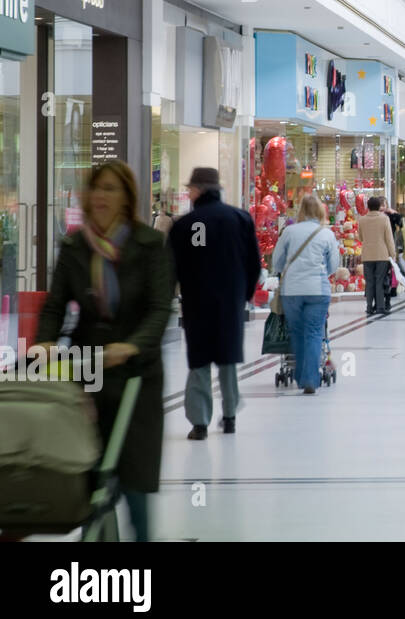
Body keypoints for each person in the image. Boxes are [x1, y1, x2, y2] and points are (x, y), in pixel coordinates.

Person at [36, 160, 172, 541]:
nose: (101, 196)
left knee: (134, 479)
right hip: (88, 375)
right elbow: (54, 304)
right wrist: (45, 343)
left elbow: (161, 307)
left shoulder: (149, 245)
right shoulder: (75, 247)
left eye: (111, 189)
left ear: (127, 197)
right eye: (96, 188)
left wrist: (131, 346)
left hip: (136, 378)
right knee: (89, 476)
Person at [168, 167, 260, 440]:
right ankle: (230, 416)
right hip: (230, 302)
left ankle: (200, 423)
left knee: (199, 361)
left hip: (197, 302)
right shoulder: (240, 219)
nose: (188, 193)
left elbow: (174, 267)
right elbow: (253, 264)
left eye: (190, 189)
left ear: (198, 191)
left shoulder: (187, 225)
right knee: (227, 359)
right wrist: (242, 294)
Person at [271, 194, 343, 394]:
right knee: (314, 333)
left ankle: (301, 377)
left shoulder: (289, 232)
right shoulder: (326, 234)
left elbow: (277, 261)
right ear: (320, 211)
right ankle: (310, 379)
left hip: (292, 290)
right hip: (317, 289)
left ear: (300, 210)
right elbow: (333, 265)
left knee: (297, 332)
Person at [358, 195, 397, 316]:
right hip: (381, 255)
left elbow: (360, 237)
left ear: (368, 206)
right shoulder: (384, 219)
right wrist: (392, 253)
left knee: (369, 282)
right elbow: (389, 239)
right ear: (378, 206)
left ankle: (369, 307)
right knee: (379, 281)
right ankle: (380, 306)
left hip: (367, 255)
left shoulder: (362, 220)